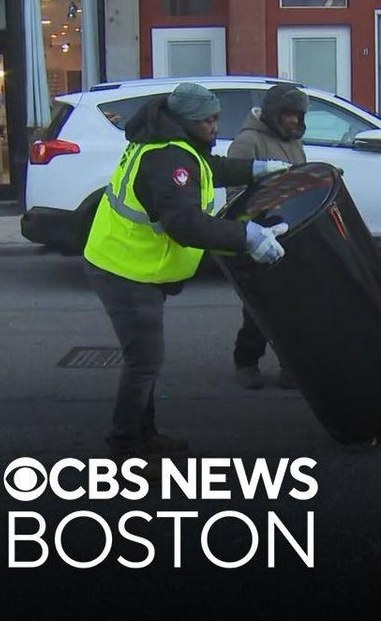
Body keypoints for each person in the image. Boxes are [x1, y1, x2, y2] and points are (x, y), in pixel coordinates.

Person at [83, 82, 291, 457]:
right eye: (207, 121)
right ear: (185, 120)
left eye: (216, 118)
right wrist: (247, 236)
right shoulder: (167, 159)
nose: (214, 126)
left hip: (130, 262)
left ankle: (145, 436)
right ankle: (127, 446)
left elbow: (207, 169)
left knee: (145, 361)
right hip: (124, 268)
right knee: (144, 361)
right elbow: (185, 224)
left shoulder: (170, 142)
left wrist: (256, 170)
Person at [227, 84, 310, 390]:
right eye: (289, 114)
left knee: (294, 305)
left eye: (299, 115)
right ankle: (246, 362)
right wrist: (257, 228)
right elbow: (236, 197)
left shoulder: (294, 141)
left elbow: (300, 180)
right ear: (274, 113)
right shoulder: (247, 142)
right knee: (260, 305)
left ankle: (290, 364)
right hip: (260, 236)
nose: (295, 120)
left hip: (291, 232)